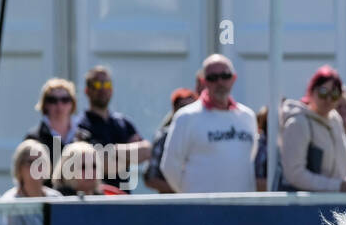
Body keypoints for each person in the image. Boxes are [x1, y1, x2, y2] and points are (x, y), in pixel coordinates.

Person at [160, 55, 261, 194]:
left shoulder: (247, 116)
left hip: (242, 208)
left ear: (234, 78)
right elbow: (170, 166)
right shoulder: (186, 117)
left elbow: (251, 157)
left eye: (225, 76)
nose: (220, 82)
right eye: (213, 78)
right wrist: (191, 196)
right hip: (202, 210)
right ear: (204, 82)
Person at [277, 65, 346, 193]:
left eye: (335, 94)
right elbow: (294, 174)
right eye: (323, 92)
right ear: (312, 91)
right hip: (305, 207)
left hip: (335, 204)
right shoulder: (298, 123)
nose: (328, 99)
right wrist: (338, 186)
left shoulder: (335, 121)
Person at [75, 65, 150, 188]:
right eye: (98, 85)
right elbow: (98, 163)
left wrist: (111, 152)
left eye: (107, 85)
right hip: (95, 199)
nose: (103, 89)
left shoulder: (124, 123)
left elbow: (147, 151)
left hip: (123, 198)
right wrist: (129, 154)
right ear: (87, 91)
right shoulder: (81, 125)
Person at [24, 78, 91, 180]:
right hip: (48, 195)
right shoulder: (34, 138)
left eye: (65, 100)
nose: (59, 105)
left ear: (72, 103)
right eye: (53, 100)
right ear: (45, 104)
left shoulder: (84, 137)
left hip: (78, 195)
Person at [143, 88, 197, 193]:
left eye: (191, 107)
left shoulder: (203, 137)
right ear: (175, 110)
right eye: (182, 107)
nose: (187, 111)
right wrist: (183, 191)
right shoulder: (164, 137)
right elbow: (151, 178)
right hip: (172, 206)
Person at [56, 141, 128, 196]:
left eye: (94, 166)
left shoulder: (102, 199)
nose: (90, 172)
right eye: (83, 167)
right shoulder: (56, 200)